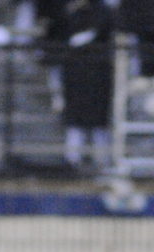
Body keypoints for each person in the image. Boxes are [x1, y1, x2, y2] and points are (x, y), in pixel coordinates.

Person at [53, 0, 114, 171]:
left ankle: (102, 160)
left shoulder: (102, 10)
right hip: (75, 74)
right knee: (75, 120)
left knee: (99, 121)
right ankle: (72, 158)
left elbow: (101, 30)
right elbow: (60, 30)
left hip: (98, 73)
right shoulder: (70, 9)